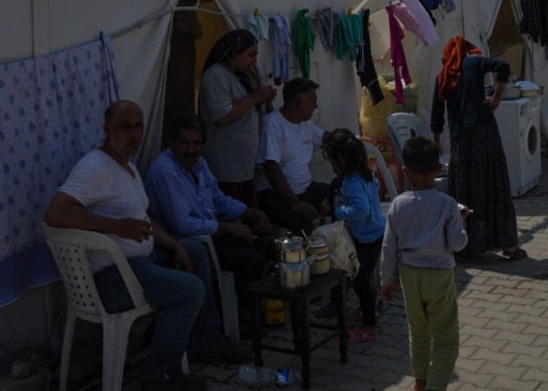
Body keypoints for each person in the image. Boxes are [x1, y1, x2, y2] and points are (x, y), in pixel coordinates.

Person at [44, 100, 209, 391]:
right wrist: (115, 227)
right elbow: (55, 213)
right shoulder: (94, 167)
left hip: (137, 264)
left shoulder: (127, 167)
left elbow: (142, 219)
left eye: (138, 126)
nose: (133, 134)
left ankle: (205, 338)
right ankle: (157, 377)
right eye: (125, 127)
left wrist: (175, 246)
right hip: (113, 278)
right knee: (190, 289)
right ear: (107, 130)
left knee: (194, 249)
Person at [145, 111, 278, 317]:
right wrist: (228, 228)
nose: (191, 149)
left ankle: (267, 311)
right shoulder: (166, 172)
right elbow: (183, 225)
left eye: (196, 143)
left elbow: (219, 200)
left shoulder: (198, 163)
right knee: (251, 261)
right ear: (171, 143)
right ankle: (243, 318)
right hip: (187, 243)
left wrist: (254, 214)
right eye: (185, 143)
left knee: (270, 246)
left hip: (211, 233)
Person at [380, 137, 470, 391]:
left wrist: (386, 281)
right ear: (439, 169)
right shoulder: (447, 204)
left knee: (418, 333)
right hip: (439, 276)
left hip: (409, 274)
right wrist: (463, 225)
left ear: (405, 171)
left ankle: (420, 384)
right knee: (446, 339)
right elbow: (458, 244)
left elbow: (388, 247)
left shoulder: (398, 204)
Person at [429, 36, 526, 260]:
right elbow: (503, 65)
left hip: (461, 138)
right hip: (486, 132)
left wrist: (437, 140)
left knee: (466, 190)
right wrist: (498, 98)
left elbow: (437, 112)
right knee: (495, 185)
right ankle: (509, 247)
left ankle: (465, 248)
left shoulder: (443, 76)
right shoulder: (473, 63)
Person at [199, 29, 278, 206]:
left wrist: (262, 100)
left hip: (243, 165)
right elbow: (222, 116)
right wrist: (254, 98)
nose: (254, 61)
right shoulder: (216, 76)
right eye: (250, 55)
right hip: (226, 167)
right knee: (231, 210)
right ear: (235, 52)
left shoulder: (240, 78)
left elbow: (246, 109)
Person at [322, 128, 386, 344]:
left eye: (332, 162)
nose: (332, 167)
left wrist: (340, 211)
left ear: (341, 160)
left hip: (368, 238)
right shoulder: (366, 175)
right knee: (362, 279)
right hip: (375, 233)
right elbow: (374, 188)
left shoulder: (351, 182)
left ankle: (370, 325)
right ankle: (368, 307)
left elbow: (361, 209)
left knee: (360, 281)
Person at [255, 77, 332, 236]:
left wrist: (345, 138)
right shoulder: (272, 125)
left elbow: (325, 138)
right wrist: (295, 204)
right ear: (300, 104)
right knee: (303, 226)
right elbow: (272, 168)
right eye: (313, 101)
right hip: (277, 196)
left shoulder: (305, 122)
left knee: (340, 194)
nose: (316, 106)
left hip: (306, 188)